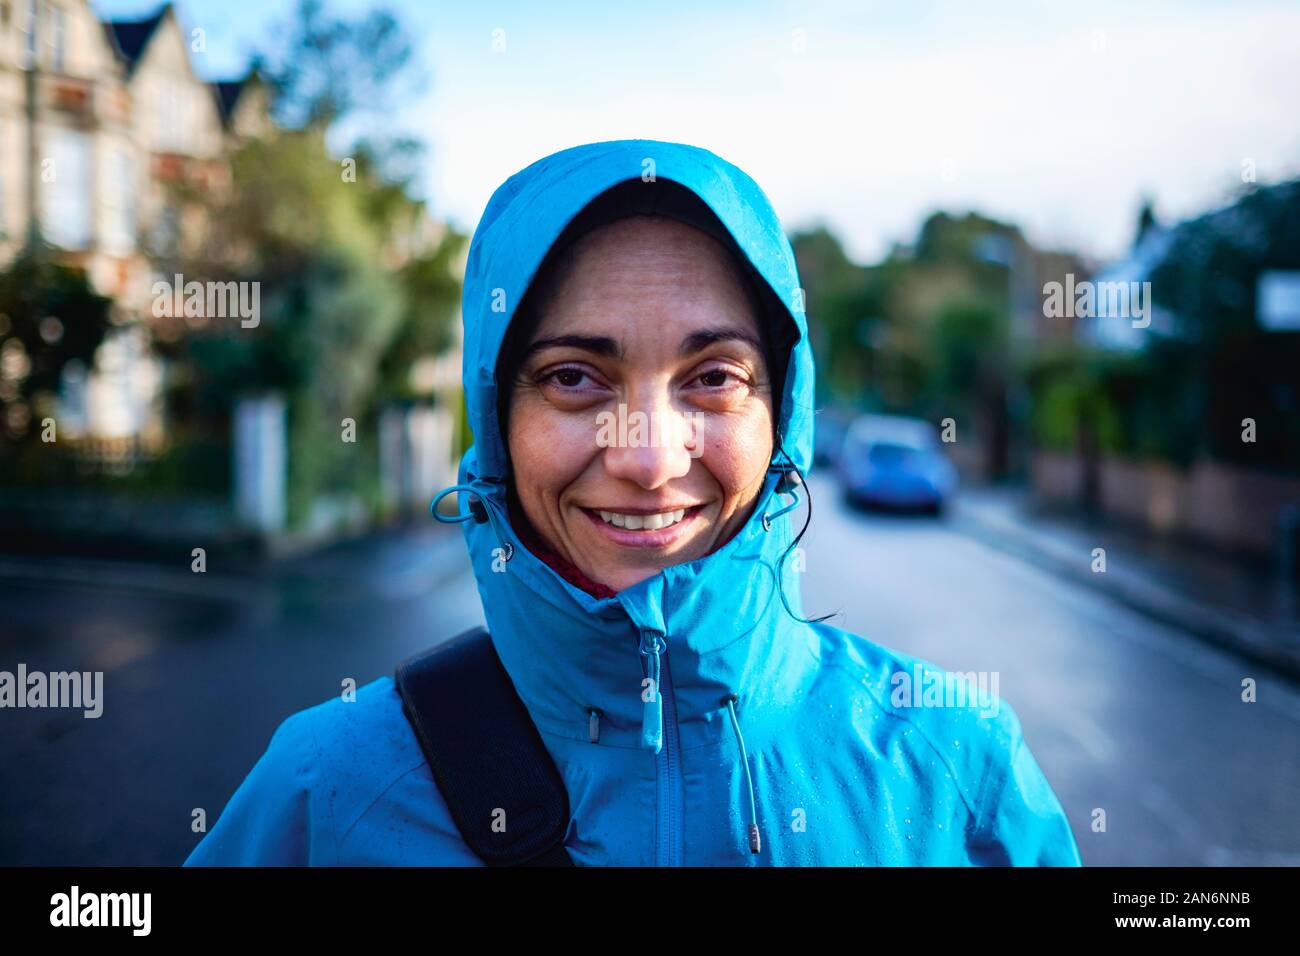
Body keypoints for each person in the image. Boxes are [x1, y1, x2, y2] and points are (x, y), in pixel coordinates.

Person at [184, 139, 1082, 866]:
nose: (650, 459)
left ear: (784, 415)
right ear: (497, 417)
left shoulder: (961, 769)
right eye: (574, 377)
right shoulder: (325, 793)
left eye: (715, 377)